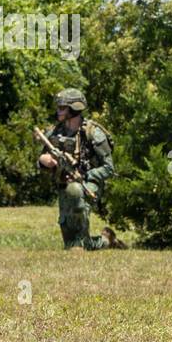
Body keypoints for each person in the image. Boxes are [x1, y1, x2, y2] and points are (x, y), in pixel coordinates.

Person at [37, 88, 125, 250]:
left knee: (75, 191)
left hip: (89, 185)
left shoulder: (93, 133)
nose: (58, 111)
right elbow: (42, 158)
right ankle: (107, 241)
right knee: (71, 244)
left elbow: (108, 168)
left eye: (62, 108)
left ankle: (83, 241)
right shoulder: (56, 131)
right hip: (64, 185)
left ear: (74, 109)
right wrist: (45, 161)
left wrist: (85, 175)